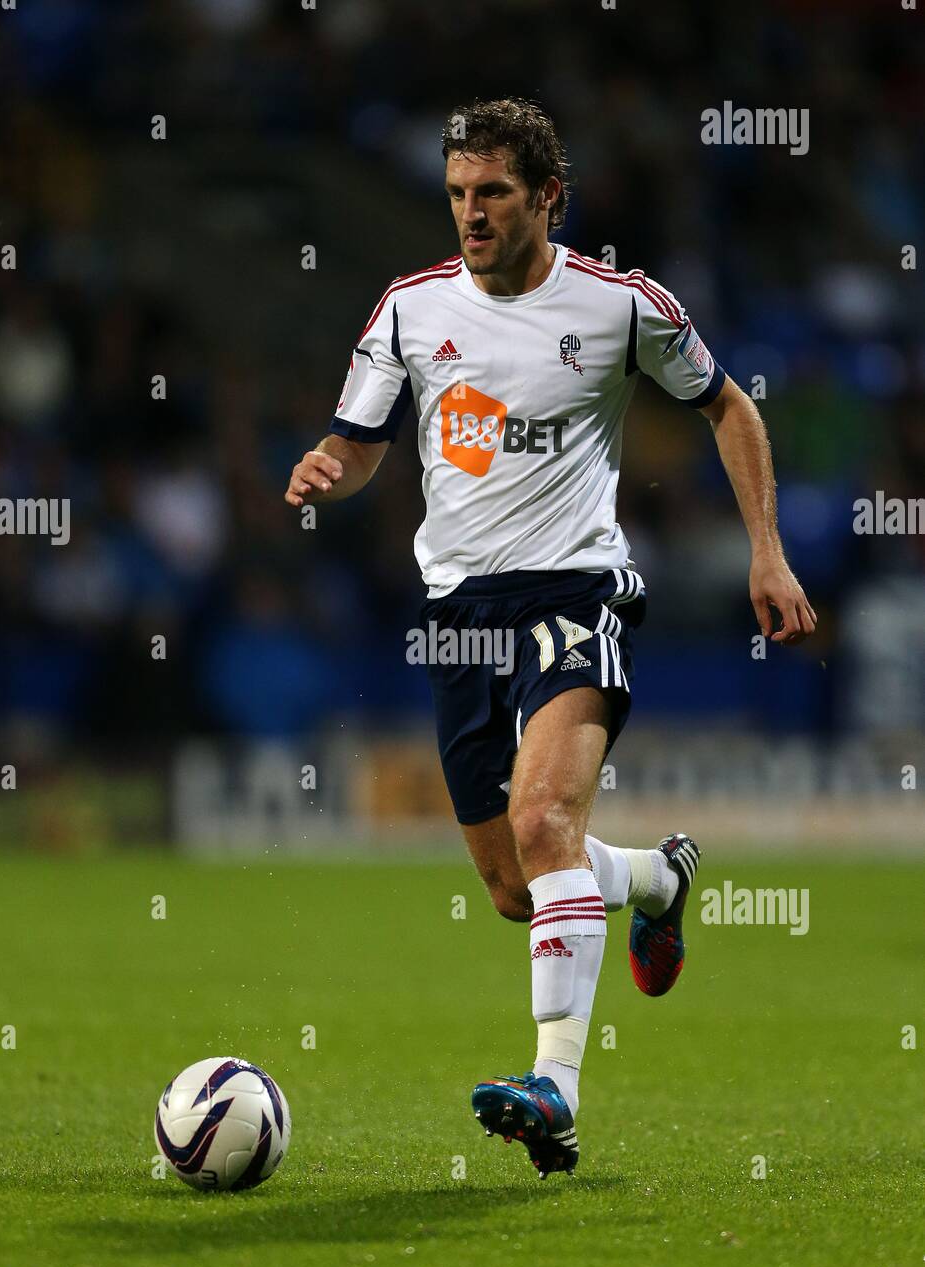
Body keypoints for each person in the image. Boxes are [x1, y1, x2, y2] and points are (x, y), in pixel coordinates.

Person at [284, 97, 816, 1178]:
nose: (471, 215)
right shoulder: (410, 309)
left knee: (543, 819)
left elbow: (729, 408)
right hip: (456, 620)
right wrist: (331, 469)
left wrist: (767, 548)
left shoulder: (623, 308)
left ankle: (555, 1093)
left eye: (493, 195)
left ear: (549, 200)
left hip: (577, 594)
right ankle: (659, 882)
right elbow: (363, 437)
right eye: (458, 196)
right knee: (519, 889)